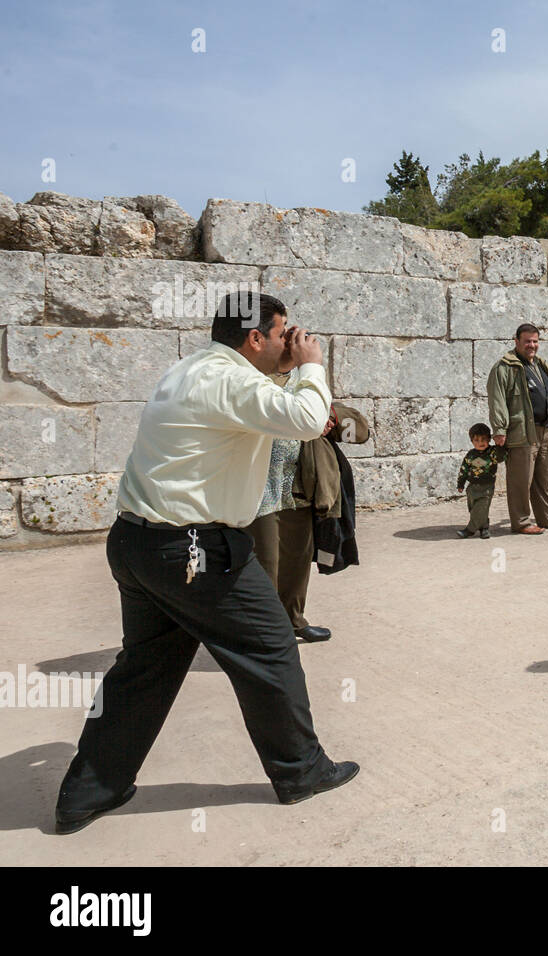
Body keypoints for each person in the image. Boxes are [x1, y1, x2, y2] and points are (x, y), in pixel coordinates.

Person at [53, 291, 358, 834]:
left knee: (145, 669)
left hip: (136, 542)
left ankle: (87, 792)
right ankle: (302, 772)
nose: (291, 340)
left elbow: (262, 404)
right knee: (269, 647)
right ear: (255, 337)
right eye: (283, 332)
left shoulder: (192, 369)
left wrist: (286, 367)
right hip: (193, 550)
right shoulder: (231, 380)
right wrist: (312, 364)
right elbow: (310, 419)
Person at [248, 397, 370, 643]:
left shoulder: (310, 394)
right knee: (266, 564)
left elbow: (359, 433)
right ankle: (266, 634)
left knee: (297, 563)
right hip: (261, 494)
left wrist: (330, 415)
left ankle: (293, 621)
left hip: (301, 493)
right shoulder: (253, 388)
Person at [486, 323, 548, 535]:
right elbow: (497, 400)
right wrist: (499, 429)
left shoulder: (540, 365)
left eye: (535, 341)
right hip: (521, 431)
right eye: (527, 341)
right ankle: (522, 522)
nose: (531, 345)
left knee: (544, 477)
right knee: (521, 480)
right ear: (516, 341)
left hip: (544, 430)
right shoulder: (504, 368)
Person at [456, 422, 506, 539]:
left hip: (487, 487)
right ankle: (484, 528)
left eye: (484, 439)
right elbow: (463, 469)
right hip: (472, 487)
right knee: (474, 509)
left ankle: (470, 530)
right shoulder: (470, 455)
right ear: (472, 441)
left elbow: (501, 458)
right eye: (476, 440)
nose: (480, 443)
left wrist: (499, 446)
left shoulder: (492, 452)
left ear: (489, 439)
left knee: (481, 507)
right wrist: (461, 483)